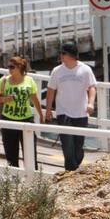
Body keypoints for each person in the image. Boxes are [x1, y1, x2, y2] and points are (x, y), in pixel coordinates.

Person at [44, 41, 96, 172]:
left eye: (63, 53)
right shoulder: (57, 71)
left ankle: (74, 168)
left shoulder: (85, 69)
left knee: (78, 148)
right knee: (67, 147)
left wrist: (90, 103)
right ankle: (70, 173)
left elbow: (92, 88)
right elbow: (51, 90)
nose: (60, 55)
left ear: (71, 55)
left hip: (81, 113)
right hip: (63, 113)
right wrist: (48, 110)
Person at [0, 55, 43, 168]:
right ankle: (14, 181)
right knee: (11, 155)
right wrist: (5, 99)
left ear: (19, 67)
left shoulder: (29, 80)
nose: (9, 69)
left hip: (26, 120)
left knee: (30, 153)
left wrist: (41, 115)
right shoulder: (3, 80)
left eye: (12, 67)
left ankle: (33, 181)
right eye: (8, 67)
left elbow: (34, 99)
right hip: (8, 120)